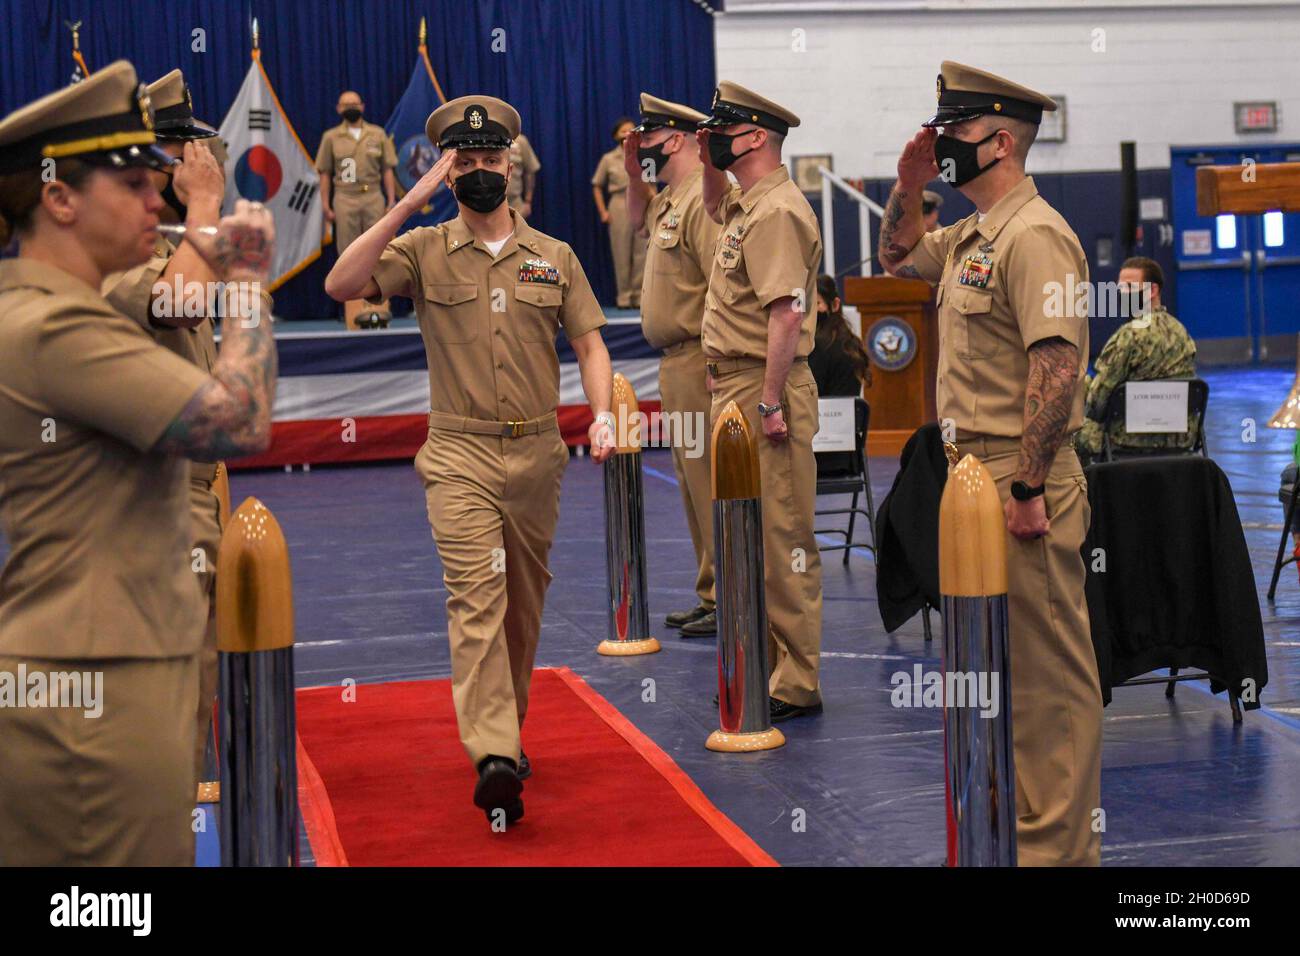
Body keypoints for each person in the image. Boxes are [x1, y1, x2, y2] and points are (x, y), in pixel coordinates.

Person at [0, 61, 277, 865]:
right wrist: (250, 283)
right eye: (129, 181)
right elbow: (241, 420)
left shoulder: (58, 311)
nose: (155, 196)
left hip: (103, 663)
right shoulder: (53, 327)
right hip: (96, 685)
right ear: (58, 198)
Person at [325, 95, 615, 828]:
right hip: (457, 454)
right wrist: (408, 203)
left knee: (521, 609)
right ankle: (491, 753)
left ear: (511, 164)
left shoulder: (555, 256)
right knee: (477, 599)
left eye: (492, 158)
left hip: (538, 452)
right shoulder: (422, 250)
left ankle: (505, 732)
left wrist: (605, 413)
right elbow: (341, 284)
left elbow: (590, 343)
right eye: (467, 161)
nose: (482, 170)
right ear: (448, 171)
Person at [878, 61, 1101, 866]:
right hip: (968, 478)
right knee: (987, 678)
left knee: (1048, 689)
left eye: (956, 135)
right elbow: (900, 256)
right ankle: (1006, 842)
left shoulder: (1037, 235)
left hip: (1019, 478)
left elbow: (1058, 366)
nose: (943, 147)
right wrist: (907, 184)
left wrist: (1030, 486)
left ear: (1001, 140)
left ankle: (1059, 856)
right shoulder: (974, 235)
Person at [100, 68, 232, 798]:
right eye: (179, 158)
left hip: (187, 483)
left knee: (193, 660)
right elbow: (181, 303)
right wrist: (207, 203)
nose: (195, 169)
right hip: (150, 493)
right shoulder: (119, 258)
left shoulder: (172, 245)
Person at [697, 82, 825, 722]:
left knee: (781, 536)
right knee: (746, 534)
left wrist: (771, 403)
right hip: (737, 384)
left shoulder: (776, 211)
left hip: (762, 386)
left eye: (723, 129)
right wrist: (704, 161)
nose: (713, 135)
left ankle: (797, 679)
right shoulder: (750, 203)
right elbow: (715, 208)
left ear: (753, 138)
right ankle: (767, 661)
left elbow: (785, 314)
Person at [622, 93, 720, 638]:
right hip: (674, 363)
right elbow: (635, 219)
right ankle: (711, 590)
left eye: (651, 141)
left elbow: (721, 286)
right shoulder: (667, 199)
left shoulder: (702, 202)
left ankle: (728, 592)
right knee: (689, 480)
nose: (644, 148)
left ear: (677, 139)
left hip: (698, 358)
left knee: (707, 479)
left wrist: (716, 357)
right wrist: (635, 173)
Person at [1074, 255, 1197, 463]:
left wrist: (1080, 384)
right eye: (1119, 287)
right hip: (1178, 437)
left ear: (1153, 290)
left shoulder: (1128, 335)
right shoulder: (1182, 333)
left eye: (1129, 287)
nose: (1122, 293)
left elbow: (1097, 403)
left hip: (1126, 439)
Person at [317, 90, 398, 328]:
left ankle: (378, 309)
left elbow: (387, 169)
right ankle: (352, 310)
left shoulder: (377, 134)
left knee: (379, 250)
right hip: (345, 197)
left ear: (363, 107)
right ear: (339, 109)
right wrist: (325, 205)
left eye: (354, 103)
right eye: (346, 104)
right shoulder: (331, 137)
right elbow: (324, 173)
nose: (351, 107)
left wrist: (391, 199)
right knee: (348, 253)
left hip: (372, 194)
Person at [592, 117, 645, 308]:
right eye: (623, 131)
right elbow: (597, 185)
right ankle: (624, 297)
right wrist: (603, 211)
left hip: (642, 202)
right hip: (619, 203)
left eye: (631, 130)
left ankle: (639, 296)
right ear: (616, 135)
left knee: (642, 253)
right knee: (621, 253)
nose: (627, 133)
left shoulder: (645, 155)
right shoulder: (608, 159)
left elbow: (653, 183)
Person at [810, 273, 871, 398]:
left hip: (824, 414)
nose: (810, 311)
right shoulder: (850, 341)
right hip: (846, 415)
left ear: (835, 304)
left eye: (816, 303)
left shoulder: (818, 345)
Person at [508, 130, 540, 218]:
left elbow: (530, 171)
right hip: (484, 208)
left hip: (514, 206)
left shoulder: (519, 141)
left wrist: (528, 201)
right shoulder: (482, 140)